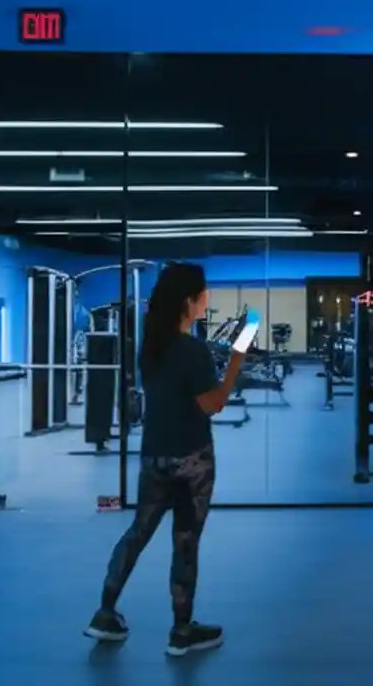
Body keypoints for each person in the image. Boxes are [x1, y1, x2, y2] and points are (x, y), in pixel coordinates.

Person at [84, 262, 245, 656]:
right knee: (185, 542)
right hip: (192, 461)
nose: (207, 299)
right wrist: (238, 359)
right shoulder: (193, 350)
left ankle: (104, 612)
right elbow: (214, 404)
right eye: (204, 293)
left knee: (138, 532)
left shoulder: (152, 347)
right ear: (189, 300)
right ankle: (181, 629)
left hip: (154, 456)